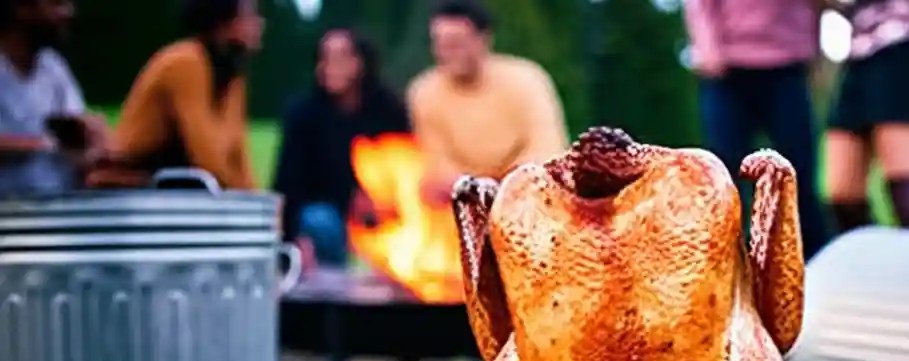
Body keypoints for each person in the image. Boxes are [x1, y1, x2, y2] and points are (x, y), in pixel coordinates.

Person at [683, 0, 831, 260]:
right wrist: (707, 47)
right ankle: (727, 262)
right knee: (724, 173)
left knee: (798, 170)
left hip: (787, 64)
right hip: (727, 68)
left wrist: (815, 52)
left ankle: (814, 261)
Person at [272, 27, 412, 270]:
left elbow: (408, 168)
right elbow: (288, 184)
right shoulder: (303, 113)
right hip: (326, 215)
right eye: (324, 58)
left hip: (382, 211)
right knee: (319, 220)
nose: (329, 67)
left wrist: (378, 198)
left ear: (361, 63)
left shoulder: (389, 110)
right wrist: (293, 237)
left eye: (340, 58)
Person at [87, 0, 263, 190]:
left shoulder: (233, 77)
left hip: (176, 190)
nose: (260, 23)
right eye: (250, 15)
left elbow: (237, 158)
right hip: (128, 186)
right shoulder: (186, 62)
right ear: (222, 24)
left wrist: (257, 200)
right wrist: (238, 196)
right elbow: (206, 158)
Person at [406, 0, 568, 204]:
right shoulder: (424, 92)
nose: (447, 52)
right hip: (462, 199)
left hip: (528, 193)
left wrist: (510, 185)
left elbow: (547, 147)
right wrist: (473, 189)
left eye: (457, 43)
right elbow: (437, 162)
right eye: (441, 44)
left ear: (483, 39)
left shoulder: (527, 79)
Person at [824, 0, 909, 231]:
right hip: (858, 59)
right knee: (843, 196)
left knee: (903, 184)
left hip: (900, 51)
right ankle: (868, 254)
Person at [0, 0, 107, 195]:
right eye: (57, 3)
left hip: (58, 203)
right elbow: (52, 144)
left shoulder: (53, 66)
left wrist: (90, 133)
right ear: (22, 8)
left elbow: (74, 122)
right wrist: (44, 145)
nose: (68, 12)